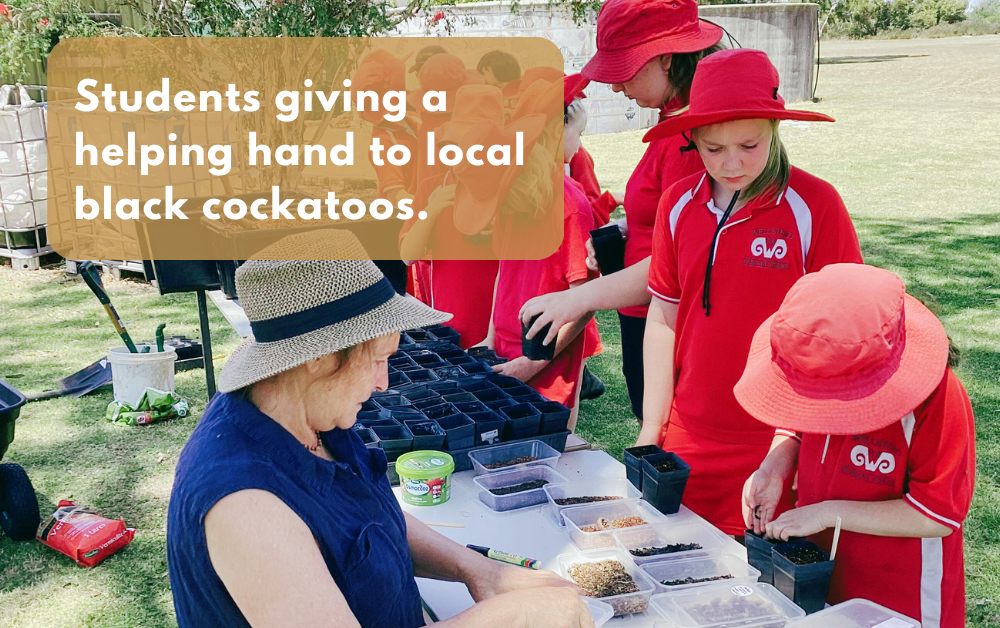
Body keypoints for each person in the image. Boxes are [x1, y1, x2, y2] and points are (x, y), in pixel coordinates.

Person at [166, 230, 594, 628]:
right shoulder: (246, 504)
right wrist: (511, 616)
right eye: (376, 359)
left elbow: (369, 518)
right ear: (319, 357)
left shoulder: (307, 409)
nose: (383, 382)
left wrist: (479, 570)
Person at [637, 48, 864, 536]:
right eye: (714, 149)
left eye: (749, 144)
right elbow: (663, 315)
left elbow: (844, 337)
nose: (732, 163)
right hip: (688, 434)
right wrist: (651, 431)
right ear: (691, 136)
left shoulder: (816, 206)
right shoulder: (677, 204)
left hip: (779, 445)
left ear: (774, 130)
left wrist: (790, 448)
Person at [736, 263, 975, 628]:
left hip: (902, 599)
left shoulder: (939, 399)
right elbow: (797, 422)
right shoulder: (819, 368)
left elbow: (937, 513)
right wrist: (775, 466)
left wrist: (827, 512)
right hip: (821, 576)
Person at [519, 0, 723, 424]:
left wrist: (574, 299)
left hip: (670, 323)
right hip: (642, 314)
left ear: (667, 58)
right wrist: (633, 228)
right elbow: (680, 222)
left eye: (624, 69)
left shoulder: (694, 138)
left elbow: (683, 262)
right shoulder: (673, 123)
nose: (614, 86)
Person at [476, 81, 600, 426]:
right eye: (579, 133)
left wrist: (533, 362)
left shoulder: (572, 207)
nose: (579, 144)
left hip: (547, 361)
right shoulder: (511, 195)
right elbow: (505, 270)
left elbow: (585, 301)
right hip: (502, 348)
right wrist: (490, 337)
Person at [398, 84, 504, 349]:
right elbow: (407, 255)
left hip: (501, 321)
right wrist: (431, 211)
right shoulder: (433, 187)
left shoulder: (509, 189)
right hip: (452, 323)